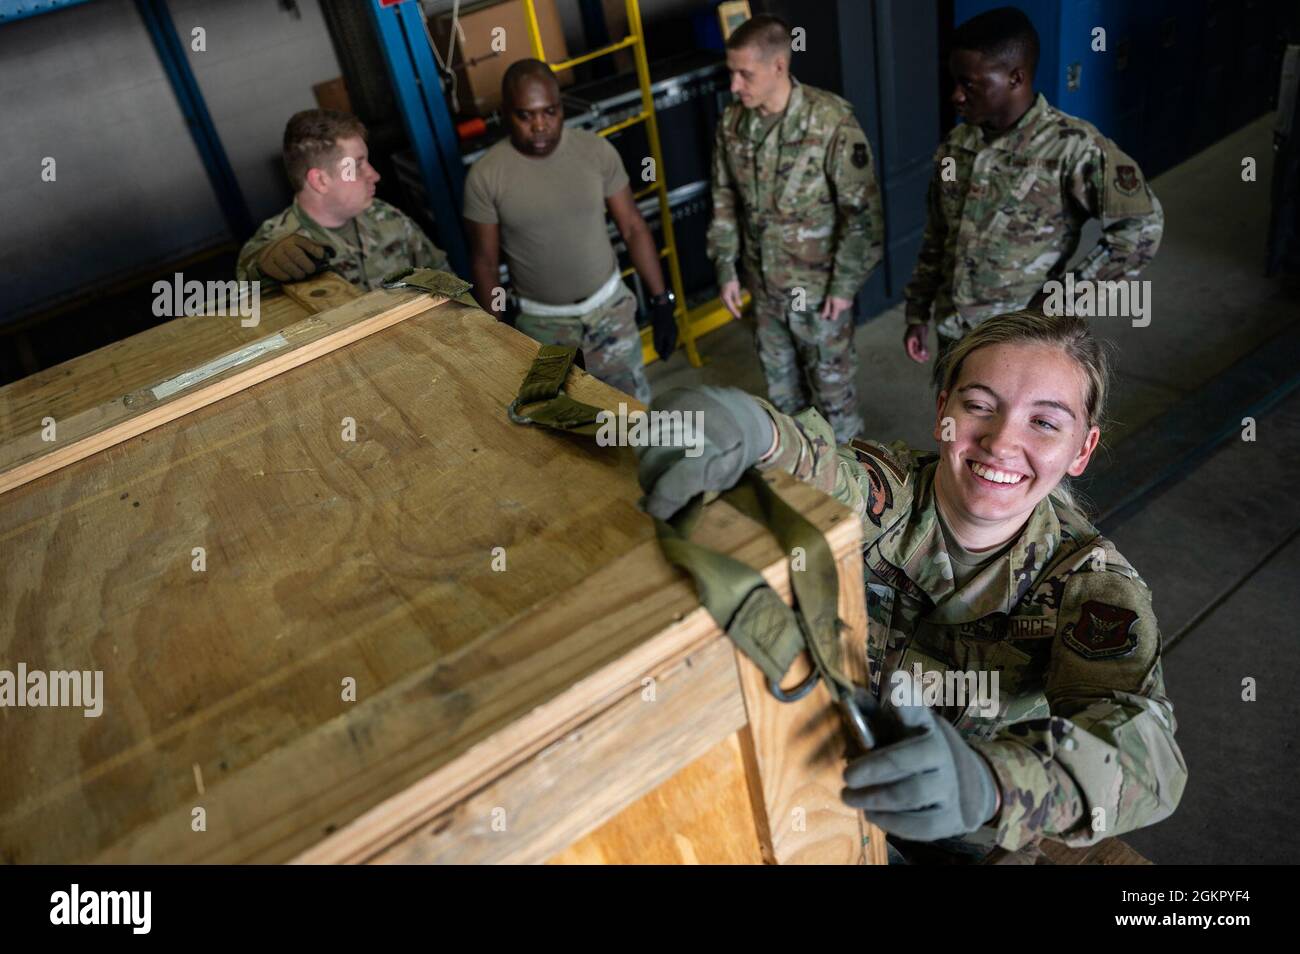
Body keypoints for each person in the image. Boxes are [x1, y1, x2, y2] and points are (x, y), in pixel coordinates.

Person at [637, 311, 1187, 863]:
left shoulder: (1089, 584)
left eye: (1044, 423)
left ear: (1082, 449)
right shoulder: (888, 490)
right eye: (979, 406)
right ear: (942, 412)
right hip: (820, 777)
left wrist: (988, 784)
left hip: (966, 830)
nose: (1001, 442)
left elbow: (1150, 758)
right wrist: (738, 421)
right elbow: (808, 458)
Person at [903, 7, 1163, 374]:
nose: (956, 97)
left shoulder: (1073, 147)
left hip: (1021, 340)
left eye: (970, 84)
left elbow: (1141, 230)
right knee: (955, 424)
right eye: (955, 82)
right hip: (954, 332)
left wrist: (1063, 298)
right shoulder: (957, 145)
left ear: (1015, 77)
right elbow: (937, 235)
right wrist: (918, 309)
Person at [707, 14, 883, 442]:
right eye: (731, 73)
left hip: (820, 295)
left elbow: (861, 215)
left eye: (744, 74)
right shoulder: (732, 125)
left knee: (834, 405)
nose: (734, 85)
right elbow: (724, 198)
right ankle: (805, 486)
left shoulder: (830, 123)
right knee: (783, 403)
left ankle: (853, 499)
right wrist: (726, 269)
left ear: (779, 67)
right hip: (765, 292)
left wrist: (843, 287)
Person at [463, 59, 677, 405]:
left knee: (633, 421)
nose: (540, 125)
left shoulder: (595, 151)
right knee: (568, 434)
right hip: (544, 326)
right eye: (525, 115)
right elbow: (485, 263)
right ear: (505, 113)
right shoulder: (486, 176)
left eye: (550, 112)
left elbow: (633, 227)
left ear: (561, 107)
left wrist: (660, 300)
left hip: (610, 311)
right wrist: (495, 337)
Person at [237, 109, 449, 290]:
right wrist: (262, 264)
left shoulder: (384, 216)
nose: (375, 175)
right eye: (357, 165)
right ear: (320, 180)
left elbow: (442, 277)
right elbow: (251, 268)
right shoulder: (281, 244)